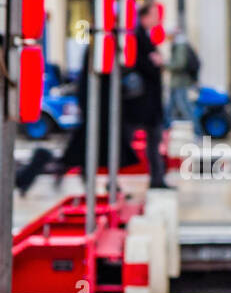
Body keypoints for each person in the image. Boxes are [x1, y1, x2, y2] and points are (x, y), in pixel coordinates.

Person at [14, 55, 139, 196]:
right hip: (98, 114)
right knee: (80, 155)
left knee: (80, 155)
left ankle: (31, 175)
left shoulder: (101, 52)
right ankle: (28, 175)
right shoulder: (98, 51)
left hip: (99, 113)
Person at [129, 0, 169, 189]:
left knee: (154, 141)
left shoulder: (146, 37)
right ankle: (156, 178)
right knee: (137, 140)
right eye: (154, 14)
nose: (157, 19)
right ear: (144, 17)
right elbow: (142, 66)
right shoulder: (137, 38)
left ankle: (158, 178)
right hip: (142, 102)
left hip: (149, 102)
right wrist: (155, 63)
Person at [166, 26, 198, 125]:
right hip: (176, 82)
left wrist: (165, 64)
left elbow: (180, 64)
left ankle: (197, 131)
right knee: (169, 109)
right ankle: (165, 129)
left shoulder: (180, 45)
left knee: (185, 108)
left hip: (180, 82)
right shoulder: (179, 44)